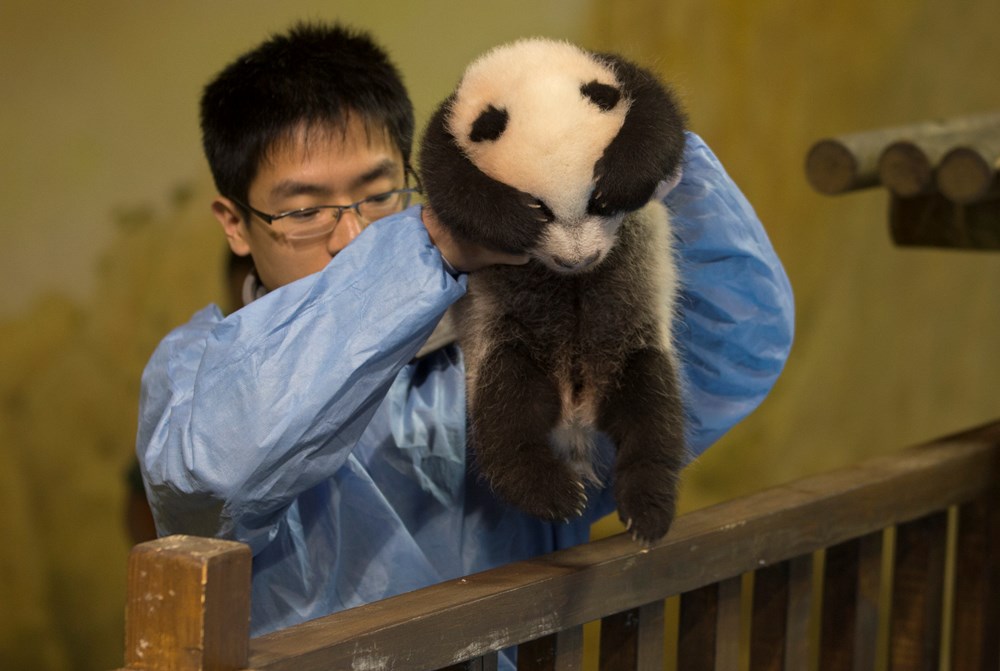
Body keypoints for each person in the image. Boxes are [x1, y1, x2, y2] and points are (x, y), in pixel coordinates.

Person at [136, 22, 794, 639]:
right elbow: (214, 478)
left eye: (378, 194)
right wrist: (426, 249)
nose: (353, 236)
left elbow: (731, 345)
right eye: (305, 210)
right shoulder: (196, 376)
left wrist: (648, 157)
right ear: (233, 222)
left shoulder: (496, 339)